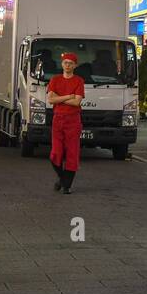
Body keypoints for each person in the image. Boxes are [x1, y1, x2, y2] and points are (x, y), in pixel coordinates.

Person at [47, 51, 85, 193]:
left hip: (73, 121)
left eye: (70, 63)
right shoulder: (55, 80)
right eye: (65, 62)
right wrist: (70, 95)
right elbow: (50, 99)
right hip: (58, 119)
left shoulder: (78, 81)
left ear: (75, 65)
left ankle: (67, 186)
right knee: (56, 152)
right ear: (62, 64)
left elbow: (77, 102)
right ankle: (62, 179)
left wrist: (60, 97)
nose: (67, 65)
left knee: (72, 153)